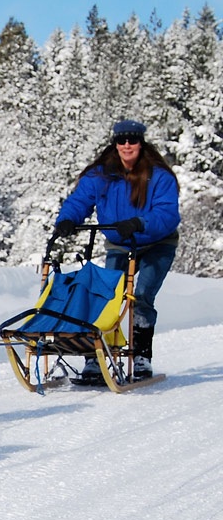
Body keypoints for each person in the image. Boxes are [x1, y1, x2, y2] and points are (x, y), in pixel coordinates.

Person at [52, 118, 180, 383]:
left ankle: (141, 356)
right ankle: (96, 358)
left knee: (141, 295)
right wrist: (67, 219)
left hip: (157, 244)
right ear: (115, 144)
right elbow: (80, 200)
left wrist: (139, 223)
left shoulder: (158, 176)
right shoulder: (102, 174)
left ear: (141, 144)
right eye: (121, 141)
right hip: (120, 245)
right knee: (106, 296)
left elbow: (167, 214)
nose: (126, 146)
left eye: (132, 140)